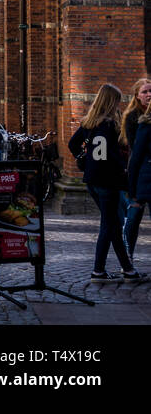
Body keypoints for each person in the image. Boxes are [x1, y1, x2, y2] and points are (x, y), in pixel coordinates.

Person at [70, 83, 139, 280]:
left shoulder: (88, 123)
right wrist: (124, 169)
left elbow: (73, 144)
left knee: (113, 225)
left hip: (92, 180)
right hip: (108, 181)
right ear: (111, 102)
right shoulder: (110, 125)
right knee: (108, 226)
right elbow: (113, 154)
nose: (118, 104)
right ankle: (98, 270)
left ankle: (127, 269)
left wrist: (85, 159)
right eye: (117, 100)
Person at [121, 77, 151, 256]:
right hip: (140, 173)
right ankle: (127, 256)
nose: (149, 95)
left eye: (150, 91)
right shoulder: (133, 117)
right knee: (133, 218)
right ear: (137, 95)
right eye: (145, 92)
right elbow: (135, 150)